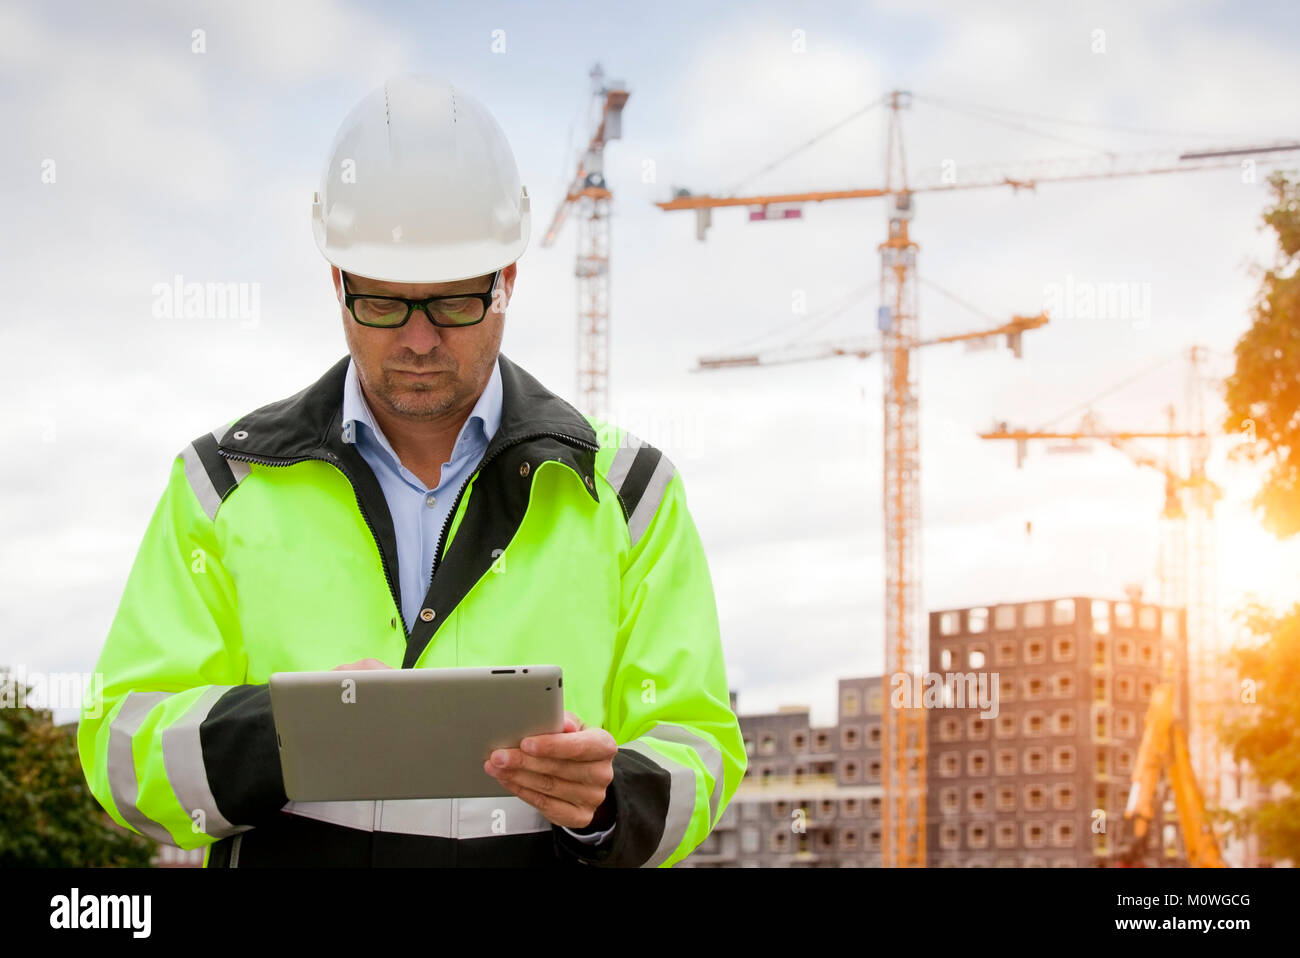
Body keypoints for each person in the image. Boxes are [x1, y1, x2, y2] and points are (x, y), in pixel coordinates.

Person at [77, 74, 745, 867]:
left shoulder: (628, 494)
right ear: (338, 283)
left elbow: (701, 750)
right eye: (385, 304)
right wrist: (285, 733)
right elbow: (124, 749)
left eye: (455, 303)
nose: (421, 340)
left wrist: (606, 799)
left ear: (508, 281)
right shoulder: (224, 485)